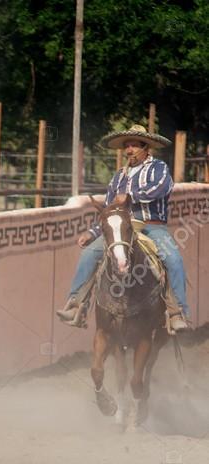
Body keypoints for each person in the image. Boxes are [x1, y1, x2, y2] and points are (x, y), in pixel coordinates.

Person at [56, 123, 190, 333]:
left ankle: (177, 313)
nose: (129, 150)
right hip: (119, 229)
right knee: (89, 254)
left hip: (151, 227)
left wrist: (130, 196)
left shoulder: (159, 169)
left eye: (134, 145)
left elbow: (162, 188)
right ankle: (76, 306)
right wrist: (92, 233)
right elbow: (108, 210)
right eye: (127, 146)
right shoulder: (118, 176)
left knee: (173, 258)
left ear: (146, 147)